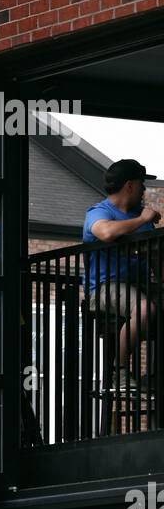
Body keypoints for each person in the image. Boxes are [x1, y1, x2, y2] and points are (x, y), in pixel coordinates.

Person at [83, 158, 160, 384]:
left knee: (148, 305)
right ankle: (120, 371)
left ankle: (154, 376)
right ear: (130, 185)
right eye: (142, 184)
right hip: (105, 289)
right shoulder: (98, 212)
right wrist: (142, 219)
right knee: (145, 309)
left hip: (140, 285)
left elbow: (154, 258)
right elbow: (105, 232)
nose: (144, 189)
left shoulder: (141, 217)